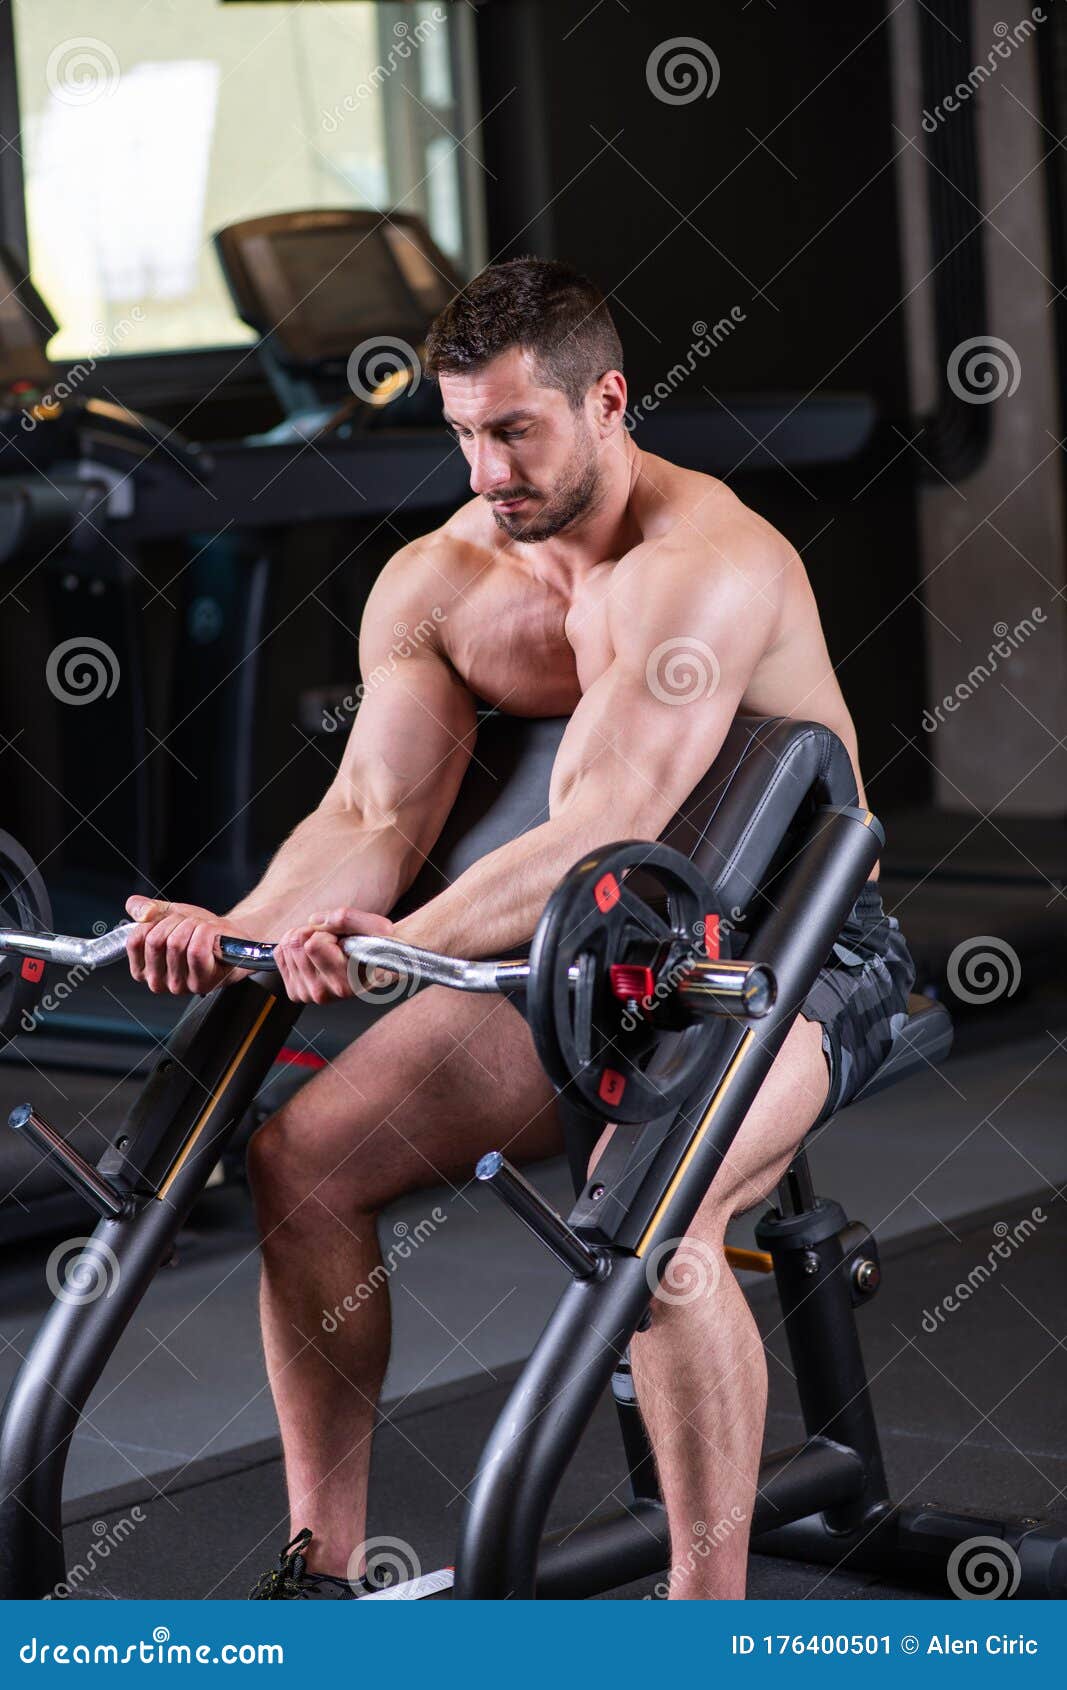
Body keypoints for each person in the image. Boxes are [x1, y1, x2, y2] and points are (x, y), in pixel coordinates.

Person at [124, 258, 915, 1600]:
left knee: (655, 1219)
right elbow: (370, 808)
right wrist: (246, 924)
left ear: (609, 401)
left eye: (516, 430)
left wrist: (393, 939)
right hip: (588, 962)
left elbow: (600, 822)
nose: (487, 468)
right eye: (464, 434)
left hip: (783, 956)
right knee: (302, 1161)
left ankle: (699, 1629)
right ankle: (324, 1572)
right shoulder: (443, 584)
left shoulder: (703, 566)